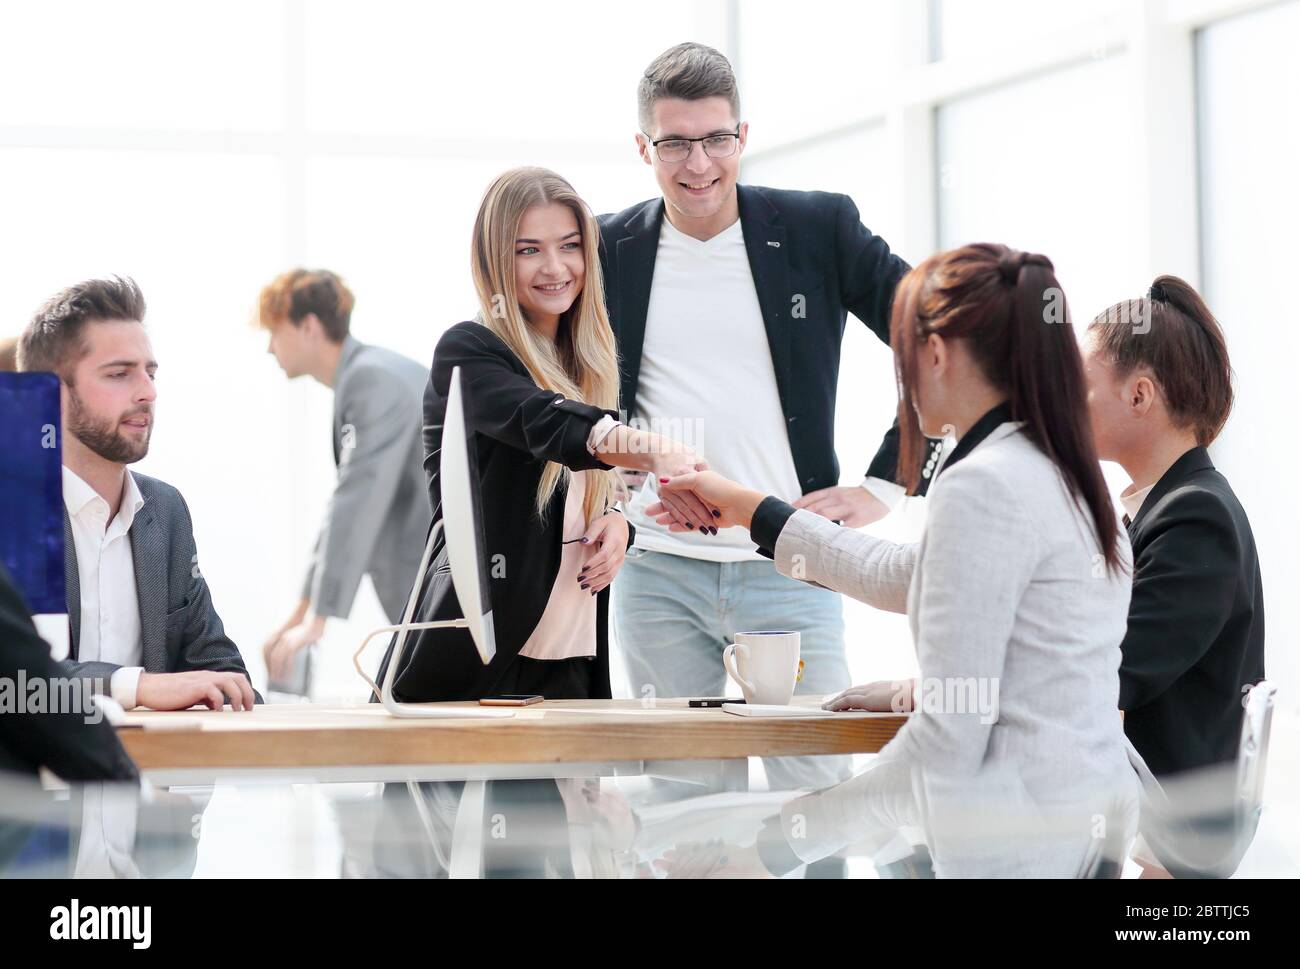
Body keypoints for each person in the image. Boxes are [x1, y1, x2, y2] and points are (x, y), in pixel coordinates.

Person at [654, 244, 1140, 876]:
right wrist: (752, 508)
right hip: (1084, 828)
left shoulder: (983, 485)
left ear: (935, 354)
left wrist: (778, 843)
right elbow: (903, 576)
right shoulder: (1068, 475)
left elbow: (947, 739)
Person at [598, 42, 939, 795]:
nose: (698, 165)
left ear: (743, 135)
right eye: (675, 143)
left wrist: (890, 483)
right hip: (657, 573)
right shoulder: (602, 247)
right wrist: (619, 490)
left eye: (717, 139)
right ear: (642, 146)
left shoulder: (819, 228)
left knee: (817, 797)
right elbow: (556, 397)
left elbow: (945, 339)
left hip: (794, 564)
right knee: (685, 810)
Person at [376, 166, 703, 705]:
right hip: (476, 662)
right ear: (494, 260)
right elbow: (545, 422)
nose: (555, 268)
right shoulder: (468, 352)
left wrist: (620, 523)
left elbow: (596, 486)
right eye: (528, 250)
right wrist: (657, 449)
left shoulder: (590, 363)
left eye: (570, 246)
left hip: (571, 657)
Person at [1083, 276, 1264, 877]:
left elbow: (1109, 675)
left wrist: (932, 691)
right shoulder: (1171, 506)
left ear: (1139, 396)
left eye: (1081, 387)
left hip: (1173, 831)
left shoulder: (1195, 514)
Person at [17, 277, 258, 712]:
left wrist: (231, 691)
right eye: (119, 374)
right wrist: (138, 686)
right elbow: (20, 680)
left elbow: (214, 661)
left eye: (150, 372)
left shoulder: (165, 511)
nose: (148, 392)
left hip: (149, 773)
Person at [253, 269, 431, 685]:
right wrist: (300, 612)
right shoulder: (375, 371)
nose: (269, 348)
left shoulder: (370, 380)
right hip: (432, 589)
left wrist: (317, 622)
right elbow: (343, 504)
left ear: (309, 327)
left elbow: (357, 498)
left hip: (444, 590)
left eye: (275, 333)